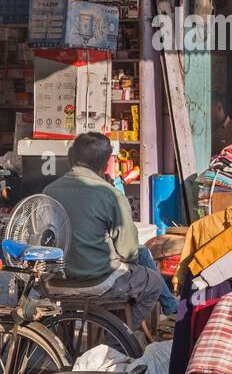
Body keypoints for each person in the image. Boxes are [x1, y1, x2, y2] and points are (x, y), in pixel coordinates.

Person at [44, 132, 166, 331]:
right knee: (153, 282)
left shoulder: (49, 191)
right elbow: (129, 251)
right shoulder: (110, 195)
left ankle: (72, 344)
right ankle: (114, 341)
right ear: (106, 164)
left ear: (70, 157)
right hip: (100, 281)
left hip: (57, 281)